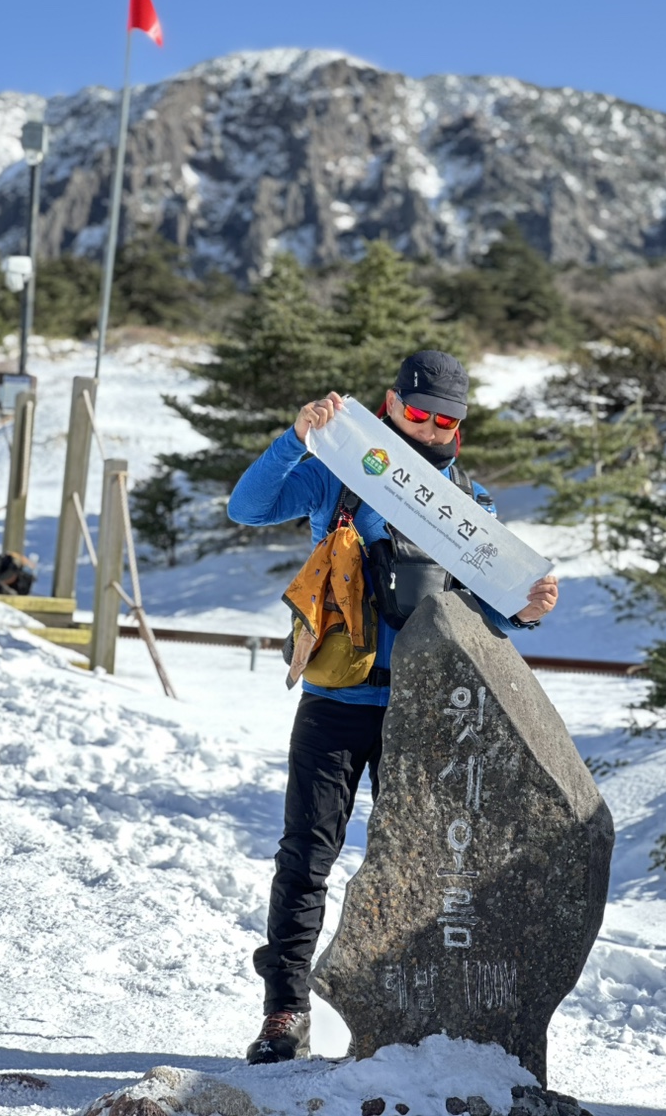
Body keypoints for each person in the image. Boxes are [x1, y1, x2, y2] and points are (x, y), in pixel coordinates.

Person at [227, 350, 558, 1065]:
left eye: (447, 419)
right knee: (306, 855)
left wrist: (525, 611)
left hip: (426, 712)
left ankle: (409, 1017)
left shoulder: (469, 501)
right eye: (419, 413)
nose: (433, 428)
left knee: (423, 863)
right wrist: (297, 437)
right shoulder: (342, 467)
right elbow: (246, 508)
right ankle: (285, 1008)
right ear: (390, 401)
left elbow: (486, 618)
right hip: (338, 696)